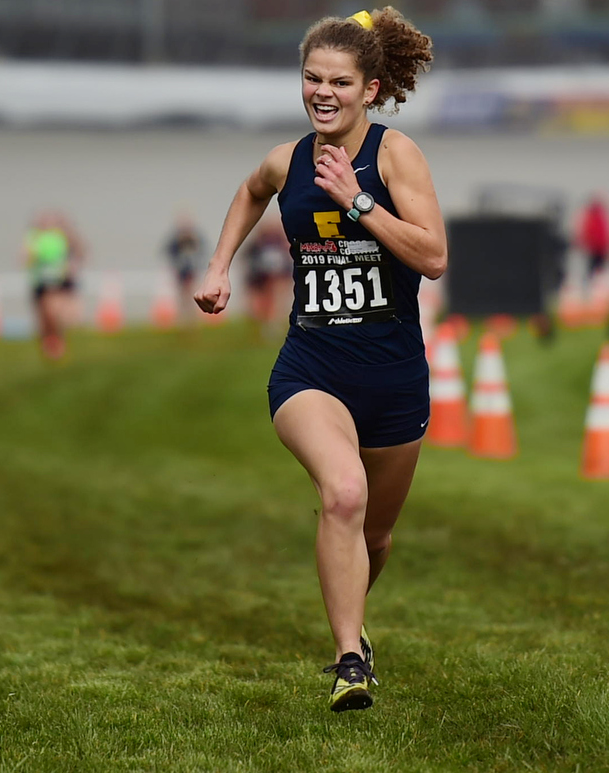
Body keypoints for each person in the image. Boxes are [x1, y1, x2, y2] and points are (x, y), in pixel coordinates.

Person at [193, 7, 440, 711]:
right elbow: (251, 190)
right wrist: (218, 266)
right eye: (311, 78)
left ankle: (353, 619)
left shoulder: (396, 155)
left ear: (370, 88)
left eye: (338, 81)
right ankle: (349, 659)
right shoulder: (288, 158)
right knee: (343, 494)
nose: (322, 93)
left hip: (393, 376)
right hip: (312, 366)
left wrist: (357, 199)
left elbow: (434, 257)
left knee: (377, 533)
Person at [24, 209, 85, 360]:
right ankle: (50, 344)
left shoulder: (64, 236)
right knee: (45, 316)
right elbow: (25, 258)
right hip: (42, 282)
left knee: (59, 314)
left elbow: (80, 252)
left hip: (60, 281)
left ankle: (57, 343)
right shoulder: (34, 238)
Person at [166, 213, 206, 324]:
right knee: (183, 298)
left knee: (193, 297)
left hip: (192, 272)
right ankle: (184, 321)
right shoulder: (175, 239)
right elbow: (169, 252)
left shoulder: (195, 238)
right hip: (181, 273)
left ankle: (192, 321)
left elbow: (202, 251)